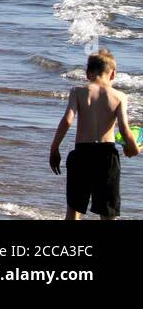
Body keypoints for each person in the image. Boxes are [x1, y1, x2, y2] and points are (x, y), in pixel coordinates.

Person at [50, 48, 139, 220]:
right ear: (113, 74)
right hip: (107, 156)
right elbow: (124, 128)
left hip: (82, 154)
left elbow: (67, 120)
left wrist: (54, 148)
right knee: (108, 213)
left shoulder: (77, 92)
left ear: (87, 73)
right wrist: (134, 148)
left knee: (73, 211)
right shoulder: (119, 96)